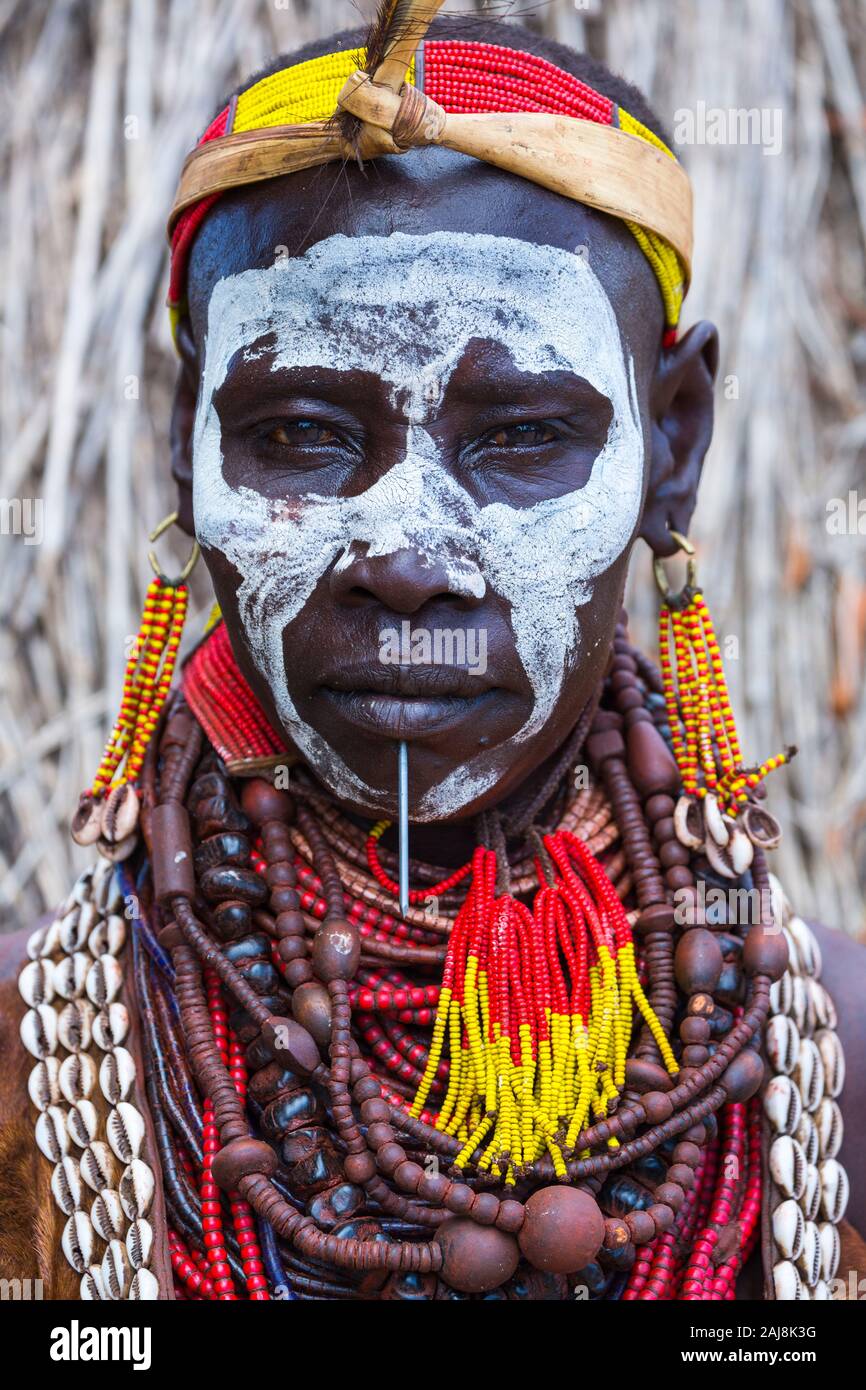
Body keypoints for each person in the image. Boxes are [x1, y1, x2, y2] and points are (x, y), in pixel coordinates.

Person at [2, 4, 863, 1301]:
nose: (406, 557)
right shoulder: (38, 1052)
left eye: (518, 435)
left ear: (671, 443)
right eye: (299, 430)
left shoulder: (832, 1060)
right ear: (187, 440)